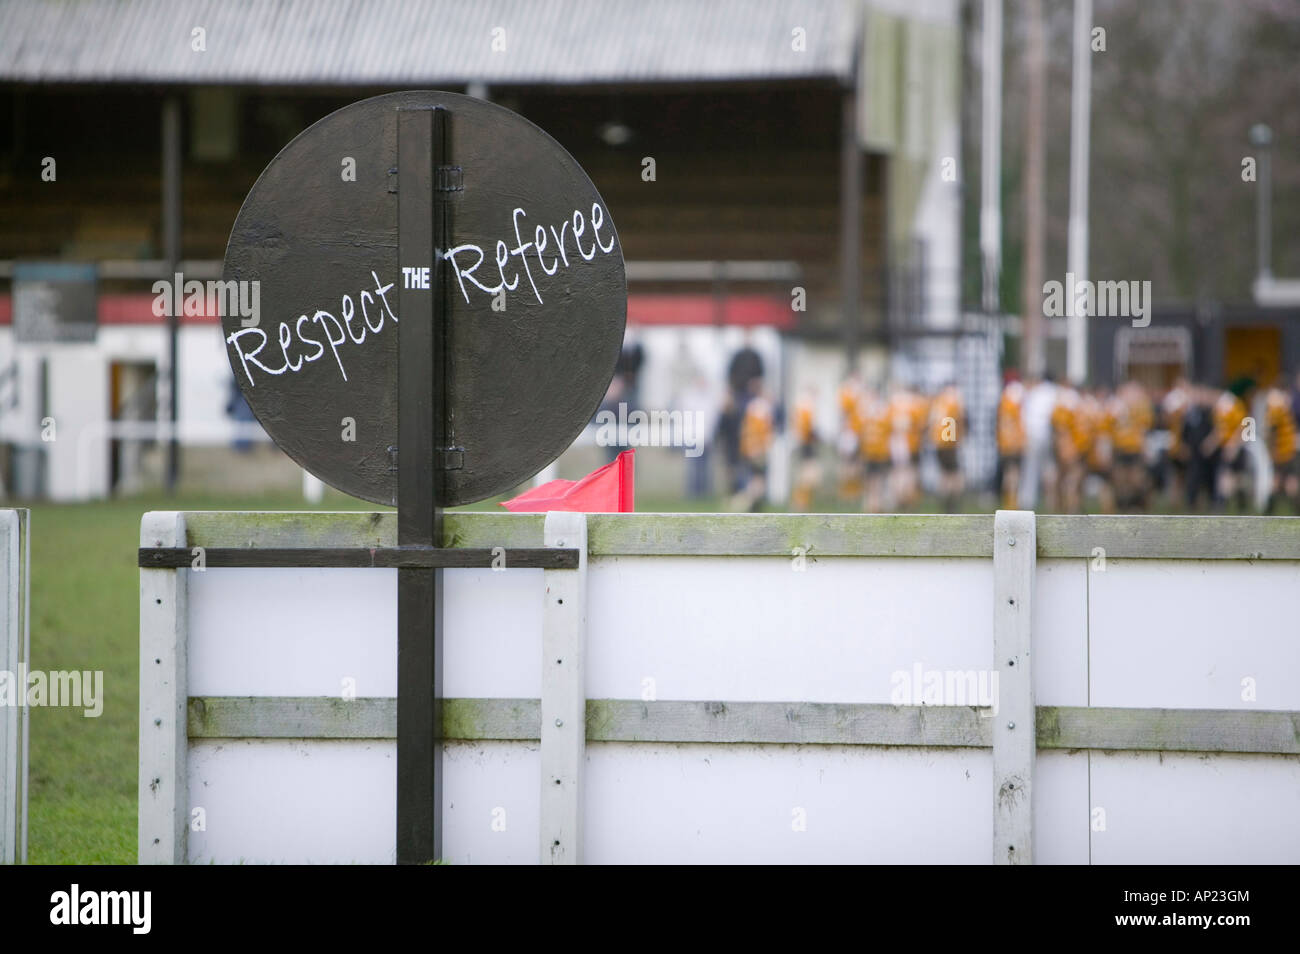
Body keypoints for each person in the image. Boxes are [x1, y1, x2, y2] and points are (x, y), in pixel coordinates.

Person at [928, 381, 966, 513]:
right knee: (955, 475)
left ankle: (944, 501)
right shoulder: (953, 403)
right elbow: (960, 420)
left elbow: (932, 422)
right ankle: (951, 503)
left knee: (945, 474)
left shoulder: (938, 402)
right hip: (949, 442)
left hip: (939, 442)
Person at [1265, 375, 1298, 514]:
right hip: (1282, 451)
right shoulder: (1277, 407)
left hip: (1287, 450)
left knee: (1287, 484)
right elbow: (1270, 430)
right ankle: (1267, 514)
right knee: (1282, 483)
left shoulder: (1281, 407)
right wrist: (1272, 450)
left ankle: (1269, 513)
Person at [859, 384, 892, 513]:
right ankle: (871, 506)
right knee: (869, 481)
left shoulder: (883, 410)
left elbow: (890, 429)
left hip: (880, 452)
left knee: (877, 481)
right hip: (869, 452)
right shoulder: (865, 410)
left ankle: (876, 505)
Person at [996, 374, 1026, 510]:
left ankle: (1008, 502)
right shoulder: (1014, 401)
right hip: (1013, 443)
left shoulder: (1003, 401)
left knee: (1008, 473)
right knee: (1013, 474)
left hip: (1005, 442)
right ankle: (1012, 503)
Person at [790, 386, 821, 511]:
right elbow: (807, 429)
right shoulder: (806, 408)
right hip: (806, 444)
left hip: (805, 444)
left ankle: (802, 502)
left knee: (807, 476)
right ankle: (800, 503)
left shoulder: (803, 407)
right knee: (808, 475)